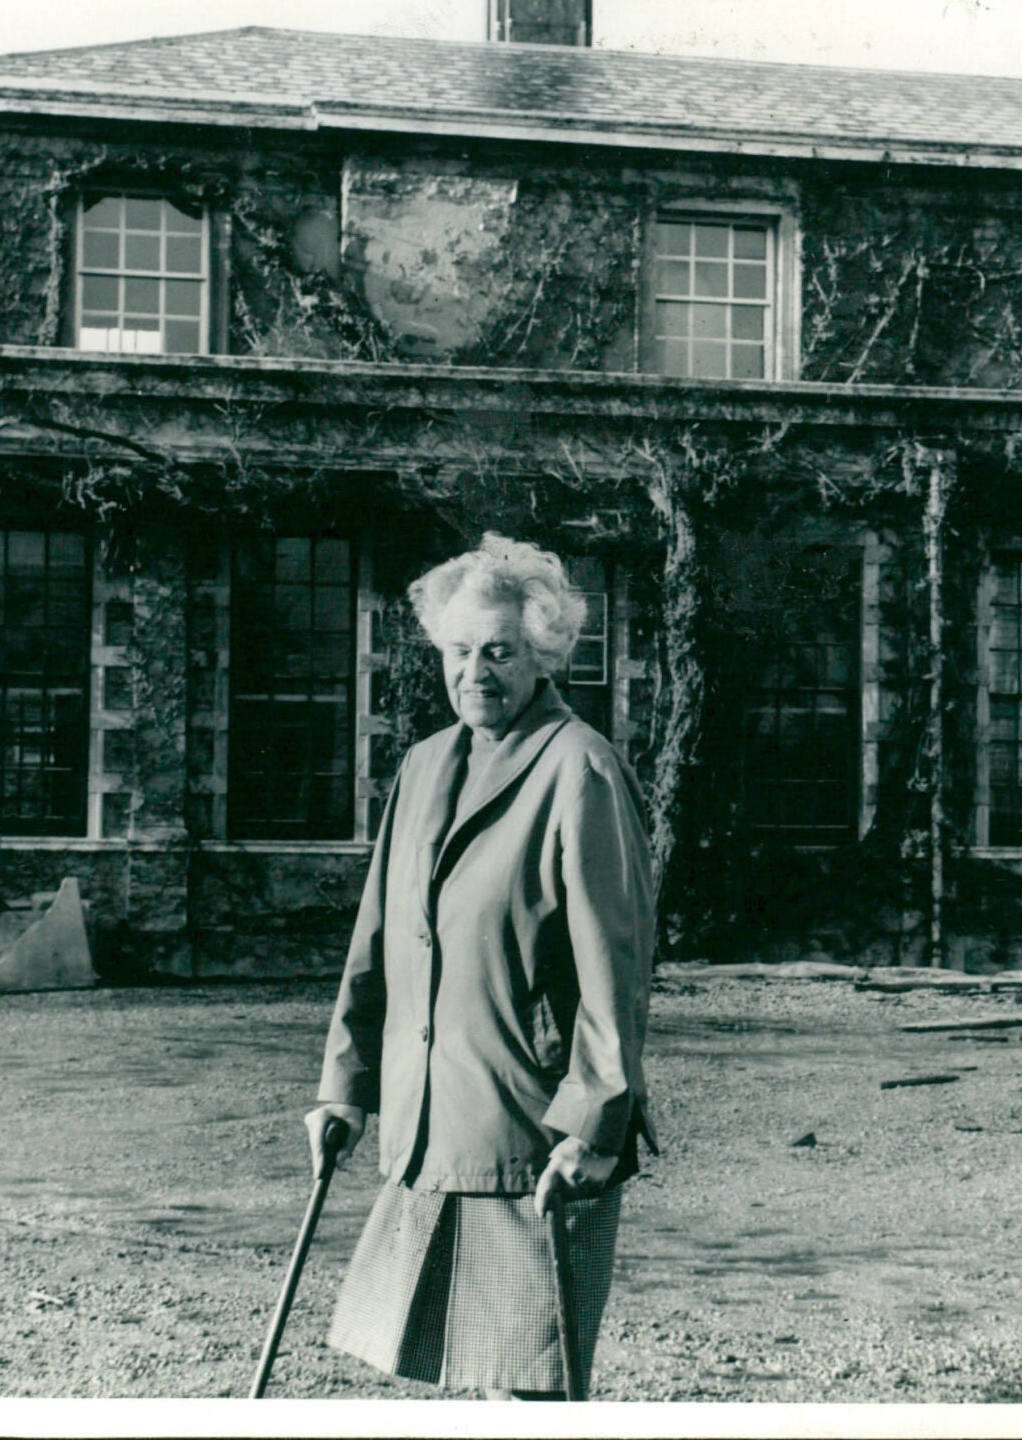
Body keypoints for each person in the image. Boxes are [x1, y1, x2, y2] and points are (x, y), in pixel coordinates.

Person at [305, 533, 657, 1400]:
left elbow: (614, 971)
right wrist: (343, 1086)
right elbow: (376, 944)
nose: (475, 672)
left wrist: (594, 1127)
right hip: (434, 1127)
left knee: (530, 1393)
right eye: (458, 651)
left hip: (535, 1139)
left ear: (541, 652)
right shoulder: (424, 766)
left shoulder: (579, 767)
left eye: (498, 651)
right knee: (465, 1381)